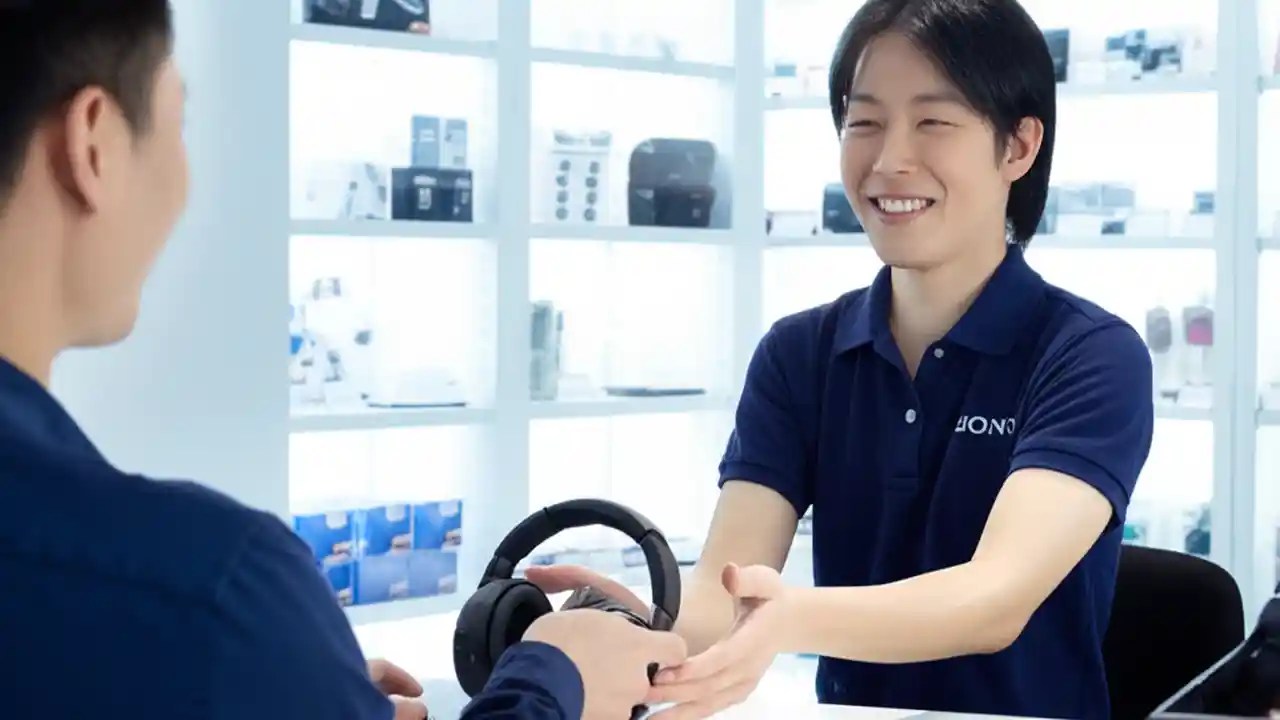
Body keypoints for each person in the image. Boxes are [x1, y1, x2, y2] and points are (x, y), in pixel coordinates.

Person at [0, 2, 685, 719]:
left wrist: (285, 686)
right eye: (180, 119)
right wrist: (554, 681)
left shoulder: (201, 622)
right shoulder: (215, 589)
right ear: (95, 143)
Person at [528, 1, 1155, 718]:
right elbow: (727, 589)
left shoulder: (1090, 356)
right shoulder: (800, 355)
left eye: (933, 121)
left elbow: (993, 600)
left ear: (1017, 146)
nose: (889, 160)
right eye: (864, 122)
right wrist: (638, 626)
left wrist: (787, 618)